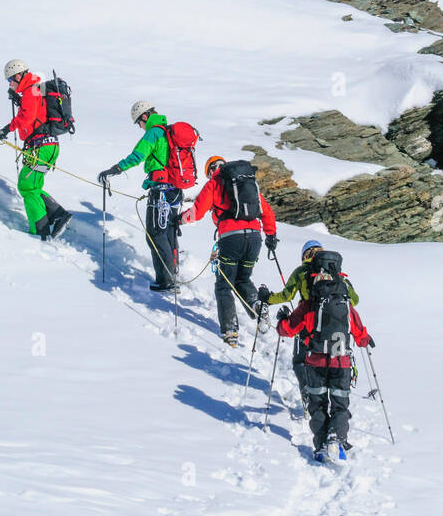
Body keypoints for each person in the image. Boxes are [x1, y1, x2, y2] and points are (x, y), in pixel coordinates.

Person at [274, 247, 373, 462]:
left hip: (315, 361)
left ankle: (320, 446)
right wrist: (365, 339)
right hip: (341, 361)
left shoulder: (309, 305)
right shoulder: (345, 304)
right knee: (340, 404)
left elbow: (286, 330)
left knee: (317, 404)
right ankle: (336, 437)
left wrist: (281, 319)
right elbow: (358, 331)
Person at [180, 155, 277, 347]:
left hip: (231, 238)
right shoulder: (246, 181)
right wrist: (271, 236)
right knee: (242, 279)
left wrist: (179, 220)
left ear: (210, 171)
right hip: (254, 238)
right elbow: (266, 211)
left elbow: (197, 212)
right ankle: (257, 306)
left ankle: (230, 330)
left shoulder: (215, 182)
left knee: (224, 284)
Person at [257, 237, 360, 410]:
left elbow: (286, 296)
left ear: (305, 255)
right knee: (335, 362)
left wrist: (267, 297)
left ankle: (309, 395)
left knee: (300, 360)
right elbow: (354, 301)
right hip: (336, 326)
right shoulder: (336, 273)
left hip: (307, 321)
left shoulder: (302, 271)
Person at [98, 102, 182, 292]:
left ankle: (167, 280)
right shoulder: (170, 132)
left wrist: (116, 169)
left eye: (138, 123)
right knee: (168, 233)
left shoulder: (154, 133)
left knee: (155, 234)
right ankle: (171, 275)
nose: (140, 127)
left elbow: (138, 155)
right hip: (175, 191)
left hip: (160, 191)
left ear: (144, 117)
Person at [0, 60, 71, 240]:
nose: (10, 84)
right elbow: (36, 112)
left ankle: (40, 231)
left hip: (40, 147)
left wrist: (7, 128)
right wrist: (20, 100)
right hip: (47, 146)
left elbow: (27, 118)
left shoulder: (31, 90)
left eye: (10, 80)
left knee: (27, 186)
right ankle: (57, 214)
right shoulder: (34, 89)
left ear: (18, 75)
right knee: (32, 185)